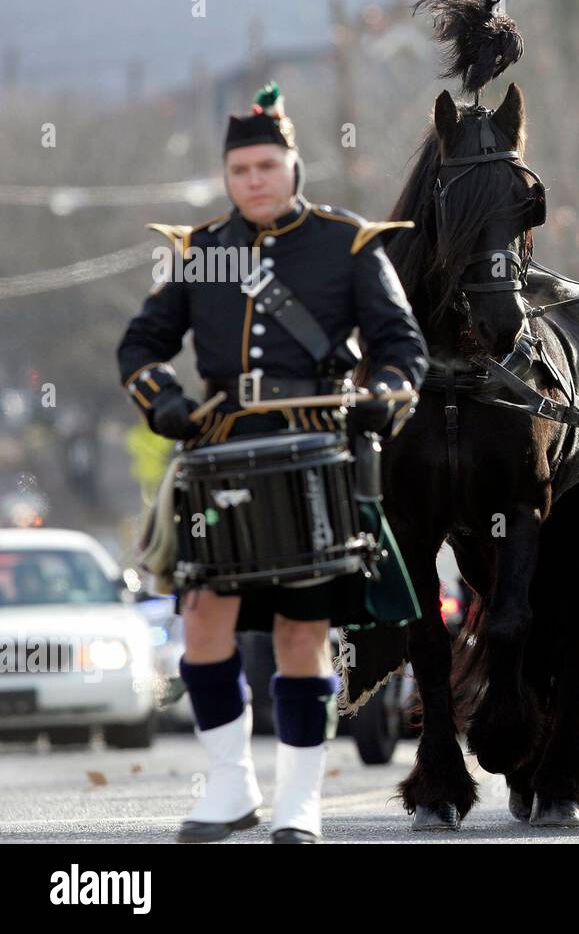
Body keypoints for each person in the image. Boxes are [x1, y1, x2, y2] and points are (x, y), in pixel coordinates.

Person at [117, 83, 429, 842]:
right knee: (202, 620)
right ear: (228, 177)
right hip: (222, 455)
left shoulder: (348, 243)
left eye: (267, 165)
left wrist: (386, 396)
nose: (254, 180)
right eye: (240, 170)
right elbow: (140, 348)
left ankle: (301, 801)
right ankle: (229, 786)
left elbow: (402, 348)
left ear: (293, 166)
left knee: (300, 630)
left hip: (316, 450)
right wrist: (163, 402)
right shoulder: (199, 253)